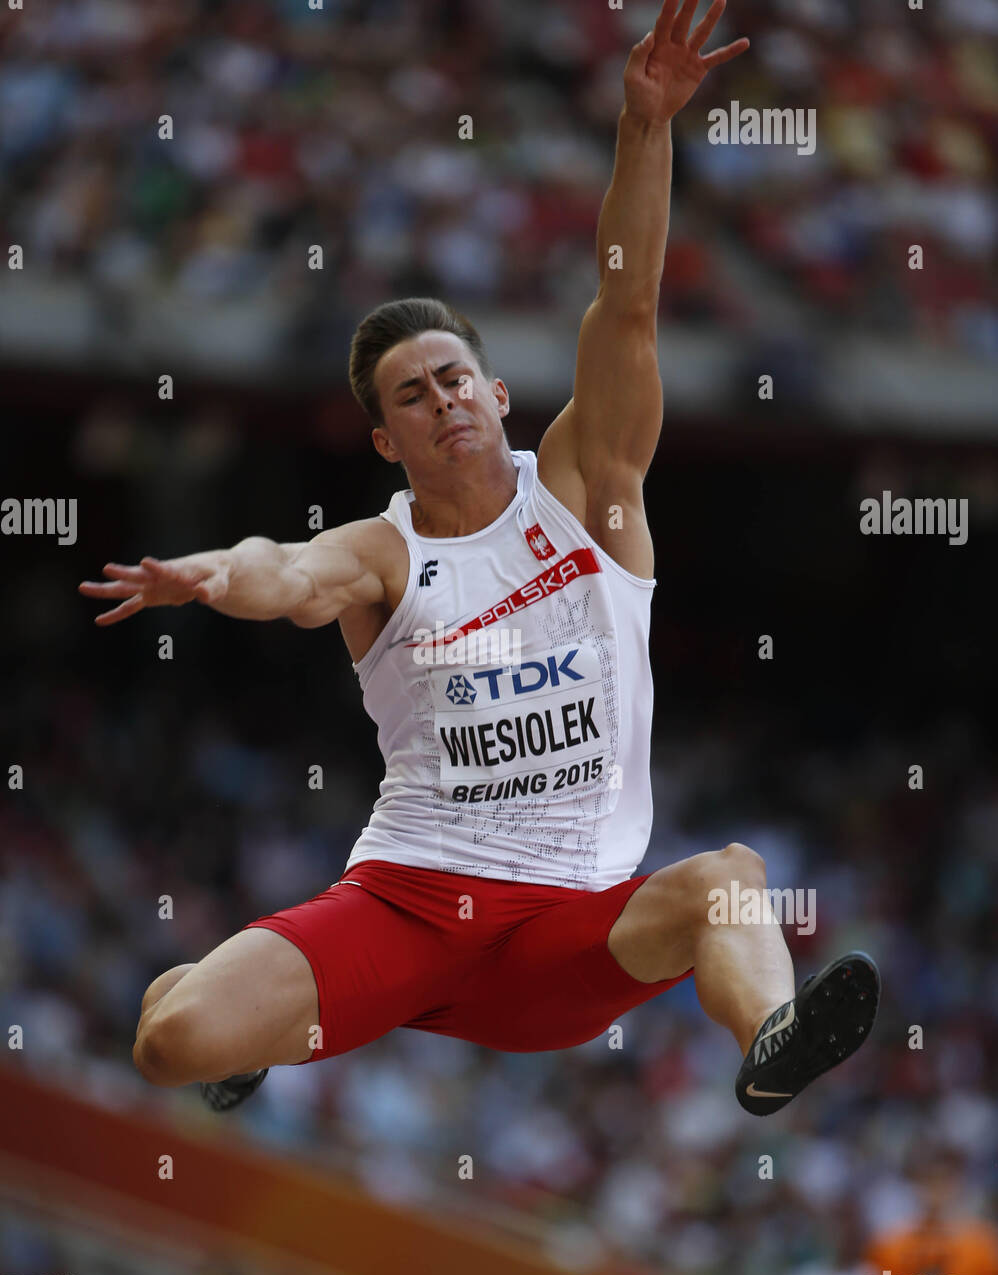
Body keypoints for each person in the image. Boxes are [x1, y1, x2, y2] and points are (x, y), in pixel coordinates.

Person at [80, 0, 878, 1118]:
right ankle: (232, 1018)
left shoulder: (588, 492)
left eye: (456, 377)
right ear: (385, 438)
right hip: (407, 905)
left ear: (497, 395)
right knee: (172, 1039)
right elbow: (289, 572)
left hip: (564, 934)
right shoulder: (382, 551)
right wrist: (212, 573)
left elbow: (630, 308)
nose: (443, 398)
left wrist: (645, 126)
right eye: (412, 393)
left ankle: (773, 1034)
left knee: (732, 883)